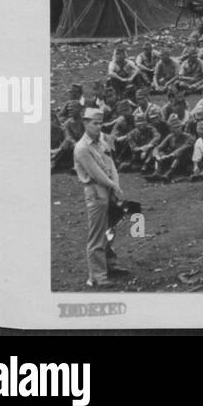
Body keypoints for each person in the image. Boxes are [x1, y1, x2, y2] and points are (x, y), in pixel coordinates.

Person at [73, 107, 127, 287]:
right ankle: (97, 276)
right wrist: (113, 185)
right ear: (86, 124)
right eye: (94, 123)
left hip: (110, 188)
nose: (98, 127)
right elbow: (96, 174)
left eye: (100, 123)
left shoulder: (102, 140)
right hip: (96, 190)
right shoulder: (82, 148)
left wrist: (116, 184)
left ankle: (110, 265)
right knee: (97, 233)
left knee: (110, 229)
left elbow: (111, 163)